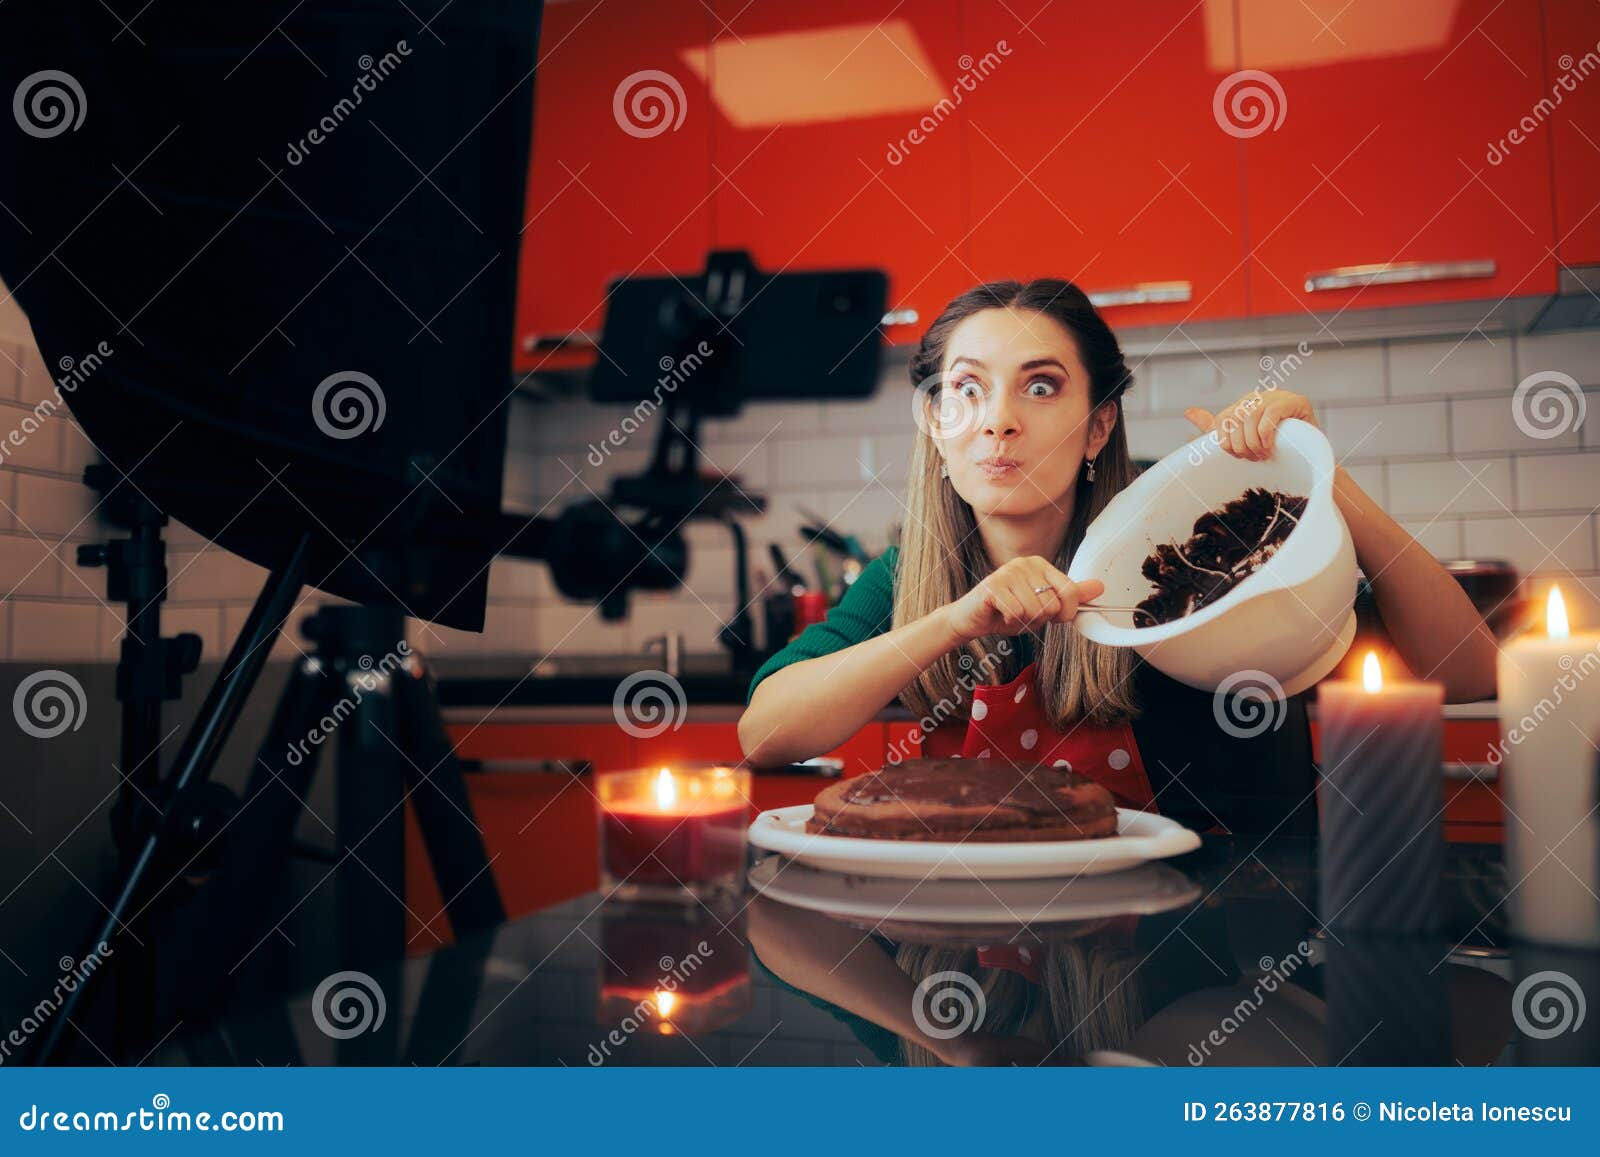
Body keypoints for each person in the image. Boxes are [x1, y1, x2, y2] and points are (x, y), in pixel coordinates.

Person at [738, 279, 1496, 835]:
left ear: (1099, 427)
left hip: (1221, 971)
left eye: (1040, 386)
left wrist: (1315, 470)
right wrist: (951, 622)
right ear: (937, 426)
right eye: (966, 391)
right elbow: (766, 733)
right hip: (979, 966)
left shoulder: (1192, 554)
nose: (998, 421)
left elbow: (1465, 672)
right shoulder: (909, 583)